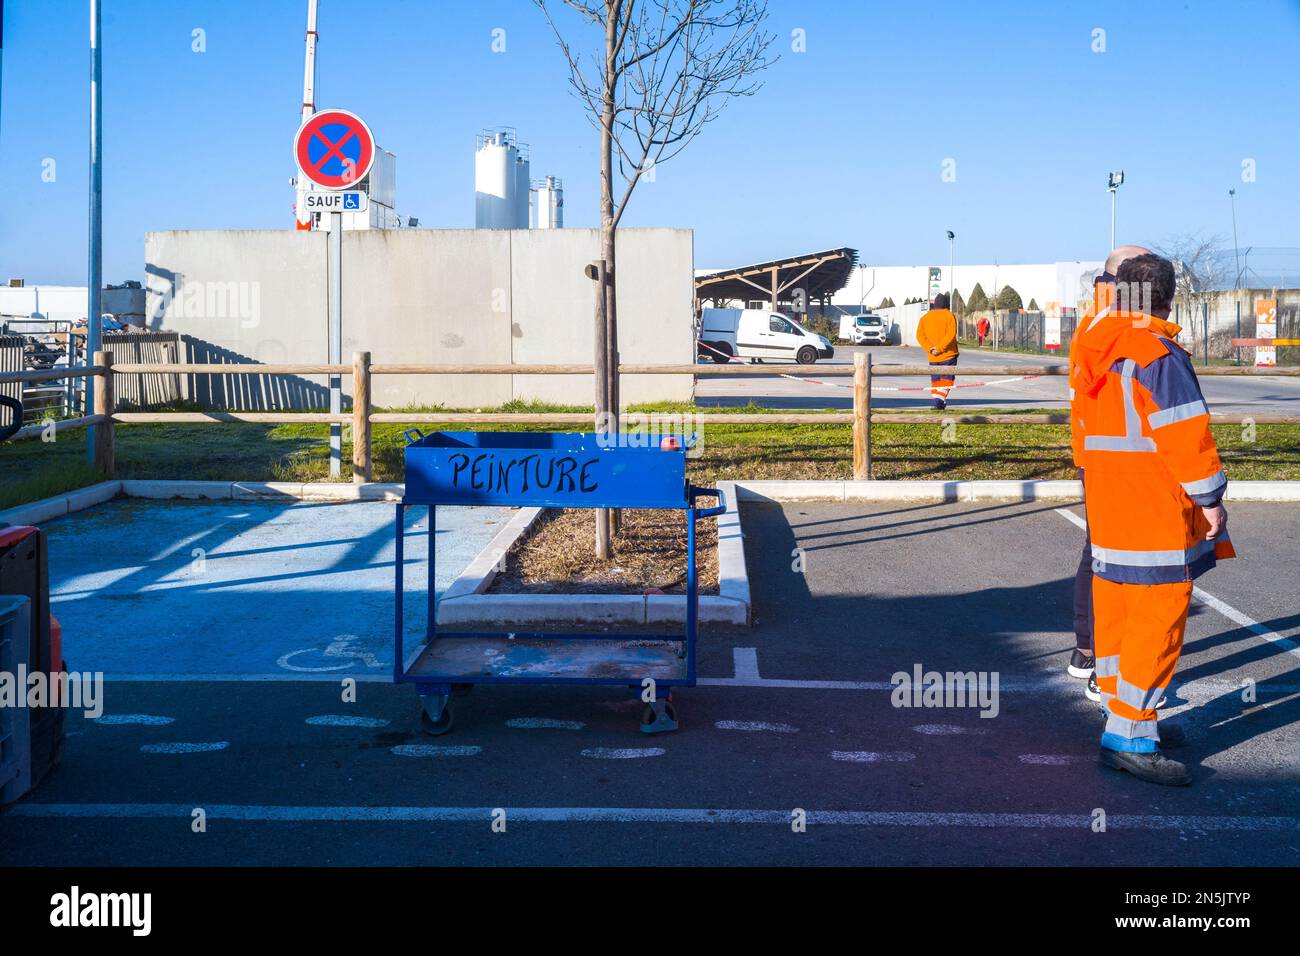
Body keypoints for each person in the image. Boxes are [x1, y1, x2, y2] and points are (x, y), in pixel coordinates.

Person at [1072, 253, 1235, 786]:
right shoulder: (1157, 353)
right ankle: (1131, 736)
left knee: (1118, 615)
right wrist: (1210, 497)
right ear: (1168, 298)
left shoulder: (1097, 341)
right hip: (1156, 511)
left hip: (1109, 504)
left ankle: (1125, 715)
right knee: (1156, 620)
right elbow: (1186, 436)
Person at [1066, 245, 1152, 700]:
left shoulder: (1108, 323)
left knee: (1099, 552)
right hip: (1117, 460)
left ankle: (1090, 652)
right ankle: (1104, 661)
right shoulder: (1112, 325)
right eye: (1142, 274)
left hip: (1107, 455)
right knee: (1115, 563)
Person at [916, 293, 959, 410]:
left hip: (932, 356)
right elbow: (951, 335)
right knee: (947, 379)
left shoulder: (925, 318)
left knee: (936, 380)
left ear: (934, 304)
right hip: (948, 355)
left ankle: (938, 402)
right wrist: (940, 348)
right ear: (946, 304)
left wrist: (931, 348)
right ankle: (938, 403)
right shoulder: (949, 316)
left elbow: (920, 336)